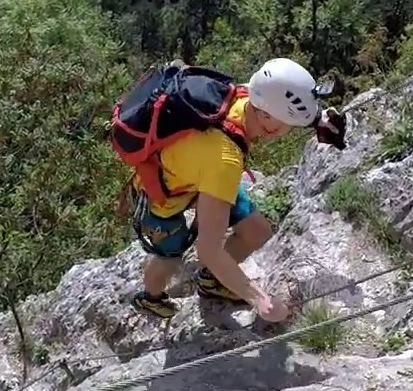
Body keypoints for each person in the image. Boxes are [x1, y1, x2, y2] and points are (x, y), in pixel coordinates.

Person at [125, 57, 347, 321]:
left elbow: (279, 100)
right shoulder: (225, 160)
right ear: (268, 118)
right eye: (290, 125)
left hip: (199, 175)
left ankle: (211, 281)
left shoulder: (243, 94)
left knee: (257, 231)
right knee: (169, 258)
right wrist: (260, 300)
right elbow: (208, 249)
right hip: (163, 194)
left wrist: (318, 120)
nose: (289, 131)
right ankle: (151, 299)